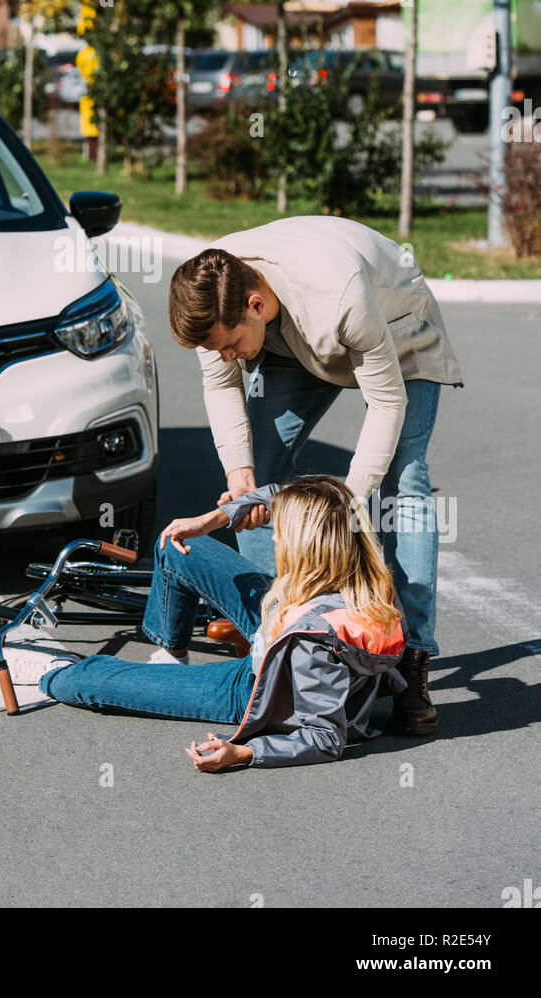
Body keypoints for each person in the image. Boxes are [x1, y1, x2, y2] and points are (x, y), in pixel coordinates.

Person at [166, 215, 463, 736]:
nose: (227, 357)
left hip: (393, 331)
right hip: (289, 340)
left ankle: (413, 657)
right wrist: (241, 480)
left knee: (404, 483)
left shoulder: (340, 292)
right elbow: (222, 387)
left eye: (229, 343)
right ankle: (277, 629)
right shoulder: (213, 288)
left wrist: (346, 501)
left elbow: (386, 401)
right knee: (259, 475)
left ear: (255, 305)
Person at [39, 475, 408, 771]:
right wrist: (212, 521)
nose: (275, 535)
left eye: (283, 531)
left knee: (90, 683)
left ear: (305, 546)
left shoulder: (312, 642)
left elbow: (324, 738)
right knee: (175, 542)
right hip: (288, 623)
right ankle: (171, 656)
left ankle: (48, 669)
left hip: (257, 686)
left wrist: (244, 753)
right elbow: (287, 491)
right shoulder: (366, 576)